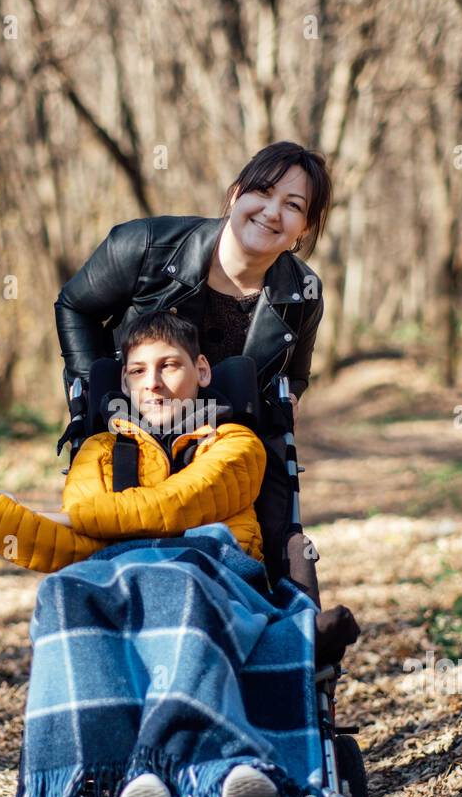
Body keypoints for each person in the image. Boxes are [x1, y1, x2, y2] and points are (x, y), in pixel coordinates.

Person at [0, 312, 359, 797]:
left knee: (179, 575)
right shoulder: (99, 453)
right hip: (118, 582)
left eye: (169, 365)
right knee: (64, 591)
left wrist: (78, 517)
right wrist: (1, 520)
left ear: (202, 370)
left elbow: (176, 508)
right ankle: (139, 774)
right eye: (137, 370)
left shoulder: (236, 444)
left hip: (217, 576)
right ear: (124, 381)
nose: (152, 382)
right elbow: (78, 544)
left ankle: (211, 761)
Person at [53, 140, 332, 601]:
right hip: (137, 422)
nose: (271, 212)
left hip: (225, 444)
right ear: (235, 194)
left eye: (293, 205)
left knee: (261, 535)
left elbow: (295, 372)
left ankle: (287, 628)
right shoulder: (143, 246)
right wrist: (93, 391)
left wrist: (293, 396)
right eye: (261, 192)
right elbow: (74, 305)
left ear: (304, 227)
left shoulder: (302, 291)